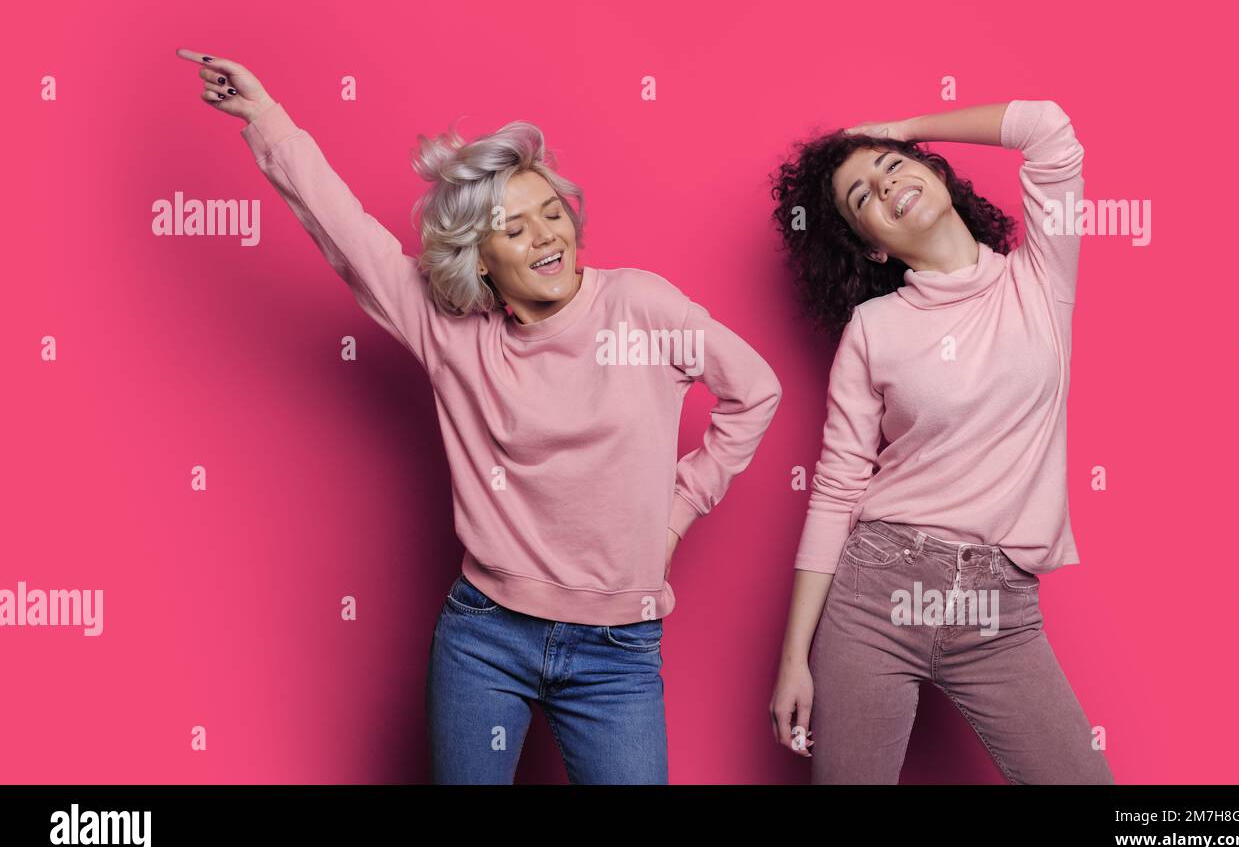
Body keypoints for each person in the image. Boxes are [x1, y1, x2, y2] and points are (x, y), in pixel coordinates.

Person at [175, 48, 782, 784]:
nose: (547, 236)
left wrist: (680, 509)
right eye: (515, 228)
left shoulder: (641, 308)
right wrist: (265, 117)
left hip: (618, 652)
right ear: (480, 258)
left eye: (552, 213)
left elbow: (756, 389)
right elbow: (344, 231)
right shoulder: (451, 332)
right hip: (486, 636)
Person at [767, 98, 1114, 784]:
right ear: (872, 246)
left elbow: (1047, 129)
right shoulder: (873, 329)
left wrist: (901, 130)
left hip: (997, 609)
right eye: (863, 196)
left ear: (937, 173)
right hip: (875, 595)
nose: (887, 184)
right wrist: (793, 659)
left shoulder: (1039, 281)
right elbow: (836, 489)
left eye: (894, 167)